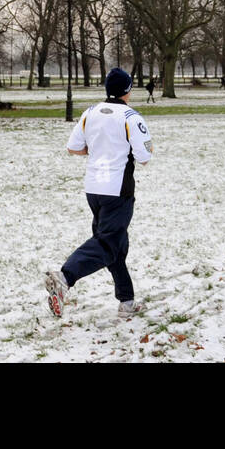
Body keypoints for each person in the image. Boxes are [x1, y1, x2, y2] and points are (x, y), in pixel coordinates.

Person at [46, 68, 153, 319]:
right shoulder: (130, 116)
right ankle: (65, 277)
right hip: (118, 190)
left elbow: (73, 149)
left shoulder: (90, 112)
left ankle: (126, 302)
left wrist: (97, 153)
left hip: (93, 188)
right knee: (107, 244)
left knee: (116, 245)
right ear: (127, 90)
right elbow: (144, 157)